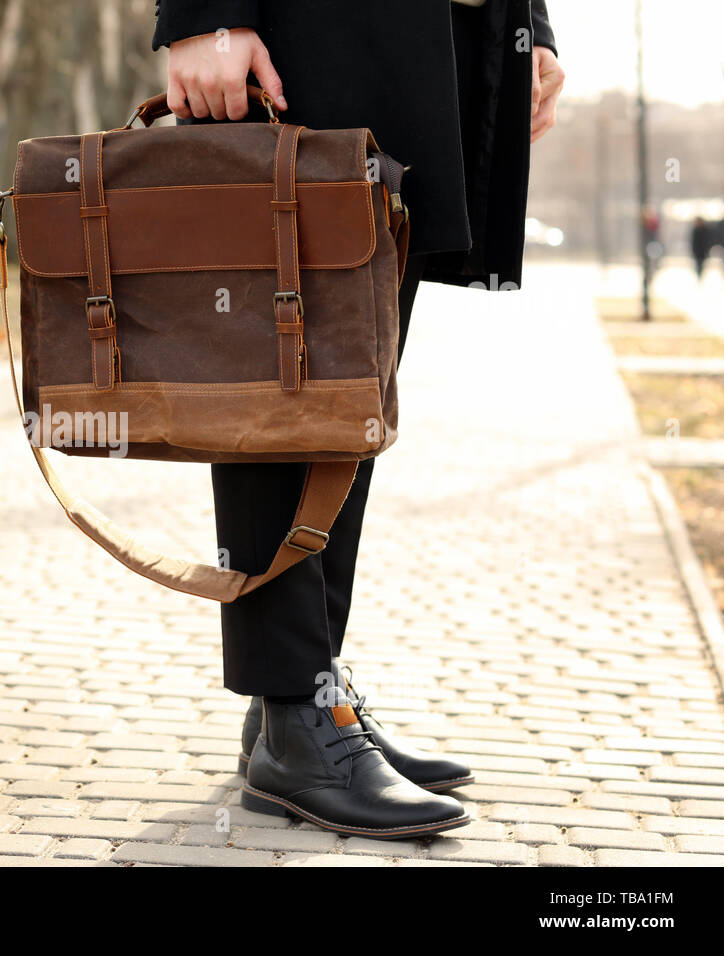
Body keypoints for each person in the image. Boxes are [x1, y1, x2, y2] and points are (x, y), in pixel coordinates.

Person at [152, 0, 563, 838]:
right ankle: (296, 712)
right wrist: (205, 13)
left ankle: (303, 697)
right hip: (310, 32)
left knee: (349, 386)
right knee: (284, 380)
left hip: (434, 42)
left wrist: (531, 28)